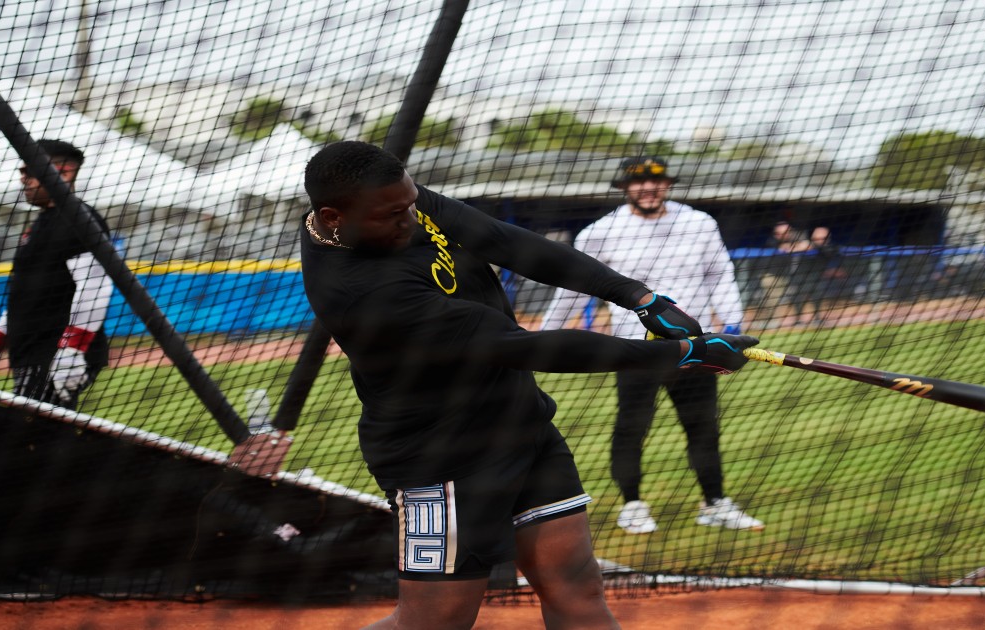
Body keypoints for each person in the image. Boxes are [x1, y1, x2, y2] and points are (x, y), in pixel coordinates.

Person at [292, 141, 758, 629]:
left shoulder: (386, 199)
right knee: (434, 621)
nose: (410, 217)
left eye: (411, 202)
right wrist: (681, 355)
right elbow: (528, 348)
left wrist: (640, 297)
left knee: (577, 591)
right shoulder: (360, 291)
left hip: (522, 425)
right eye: (393, 214)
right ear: (332, 217)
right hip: (440, 458)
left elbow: (504, 241)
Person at [539, 156, 764, 535]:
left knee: (703, 427)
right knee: (632, 427)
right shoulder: (600, 232)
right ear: (625, 187)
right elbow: (573, 289)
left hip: (696, 347)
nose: (648, 188)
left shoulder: (699, 223)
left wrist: (731, 323)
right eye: (638, 182)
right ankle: (633, 505)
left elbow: (719, 274)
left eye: (656, 181)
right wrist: (545, 337)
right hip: (635, 350)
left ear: (668, 184)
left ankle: (715, 503)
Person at [0, 140, 112, 409]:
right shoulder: (45, 220)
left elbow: (94, 288)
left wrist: (72, 350)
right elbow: (27, 294)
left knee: (33, 431)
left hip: (53, 355)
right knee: (37, 430)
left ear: (64, 173)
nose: (23, 179)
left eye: (29, 172)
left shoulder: (78, 219)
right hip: (33, 352)